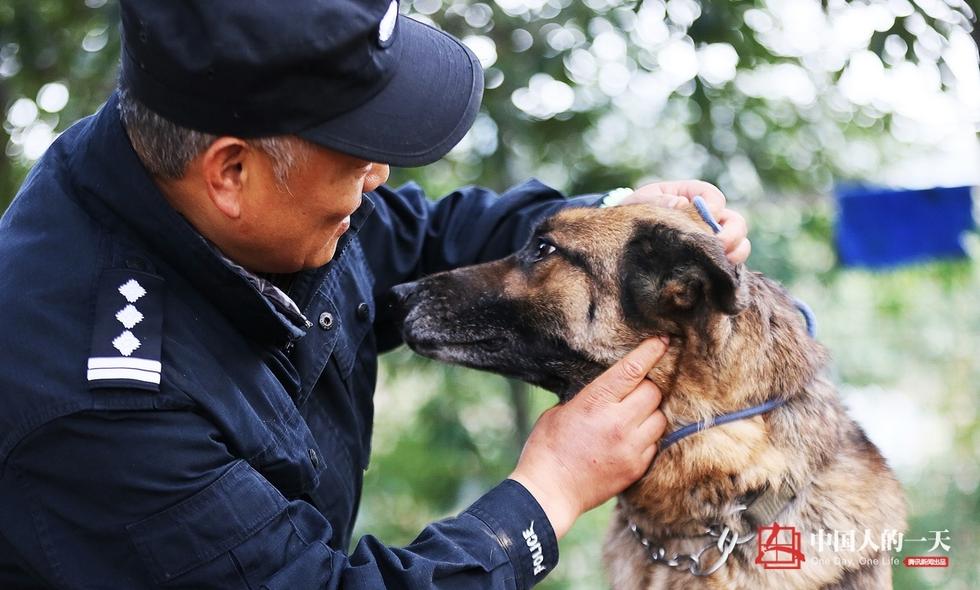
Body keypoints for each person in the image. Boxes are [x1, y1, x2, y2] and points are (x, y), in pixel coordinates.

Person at [0, 1, 749, 588]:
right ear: (231, 173)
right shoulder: (96, 401)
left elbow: (428, 237)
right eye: (357, 153)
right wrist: (547, 491)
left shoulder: (241, 187)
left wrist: (620, 219)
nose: (380, 174)